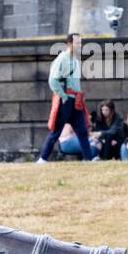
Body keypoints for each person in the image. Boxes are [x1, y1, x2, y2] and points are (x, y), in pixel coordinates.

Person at [37, 34, 96, 163]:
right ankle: (43, 159)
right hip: (66, 101)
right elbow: (53, 81)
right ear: (69, 44)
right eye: (77, 43)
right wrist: (63, 96)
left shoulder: (74, 60)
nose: (80, 46)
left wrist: (79, 97)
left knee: (82, 130)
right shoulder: (62, 59)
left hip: (76, 101)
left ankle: (88, 158)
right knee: (56, 131)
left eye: (81, 43)